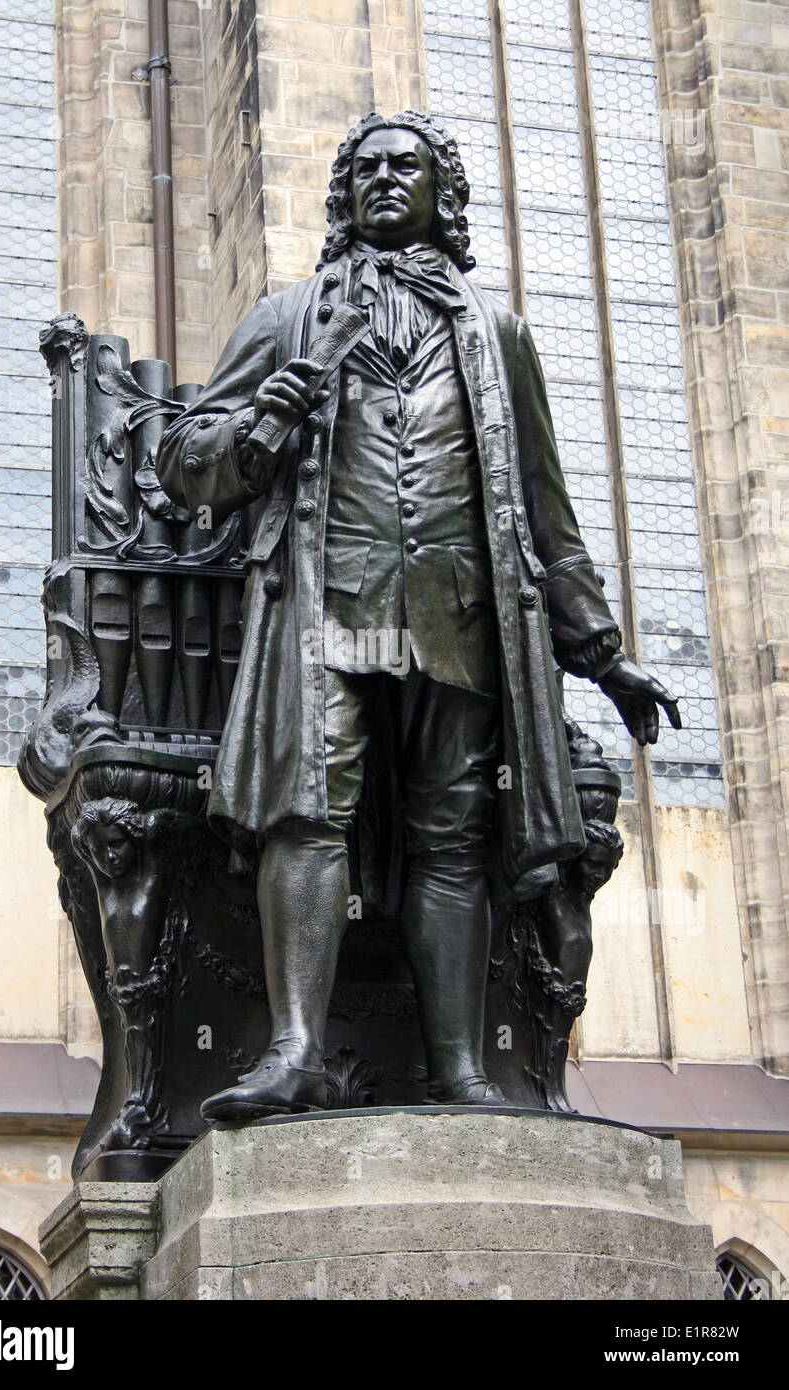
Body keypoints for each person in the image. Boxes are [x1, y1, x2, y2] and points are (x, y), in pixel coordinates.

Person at [156, 110, 680, 1119]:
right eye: (364, 169)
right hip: (326, 603)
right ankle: (298, 1051)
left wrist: (603, 654)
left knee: (454, 833)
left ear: (445, 194)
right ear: (343, 197)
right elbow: (184, 463)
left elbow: (544, 508)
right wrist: (267, 420)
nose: (384, 181)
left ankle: (459, 1071)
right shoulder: (287, 315)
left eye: (407, 166)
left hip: (459, 612)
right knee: (305, 811)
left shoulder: (497, 336)